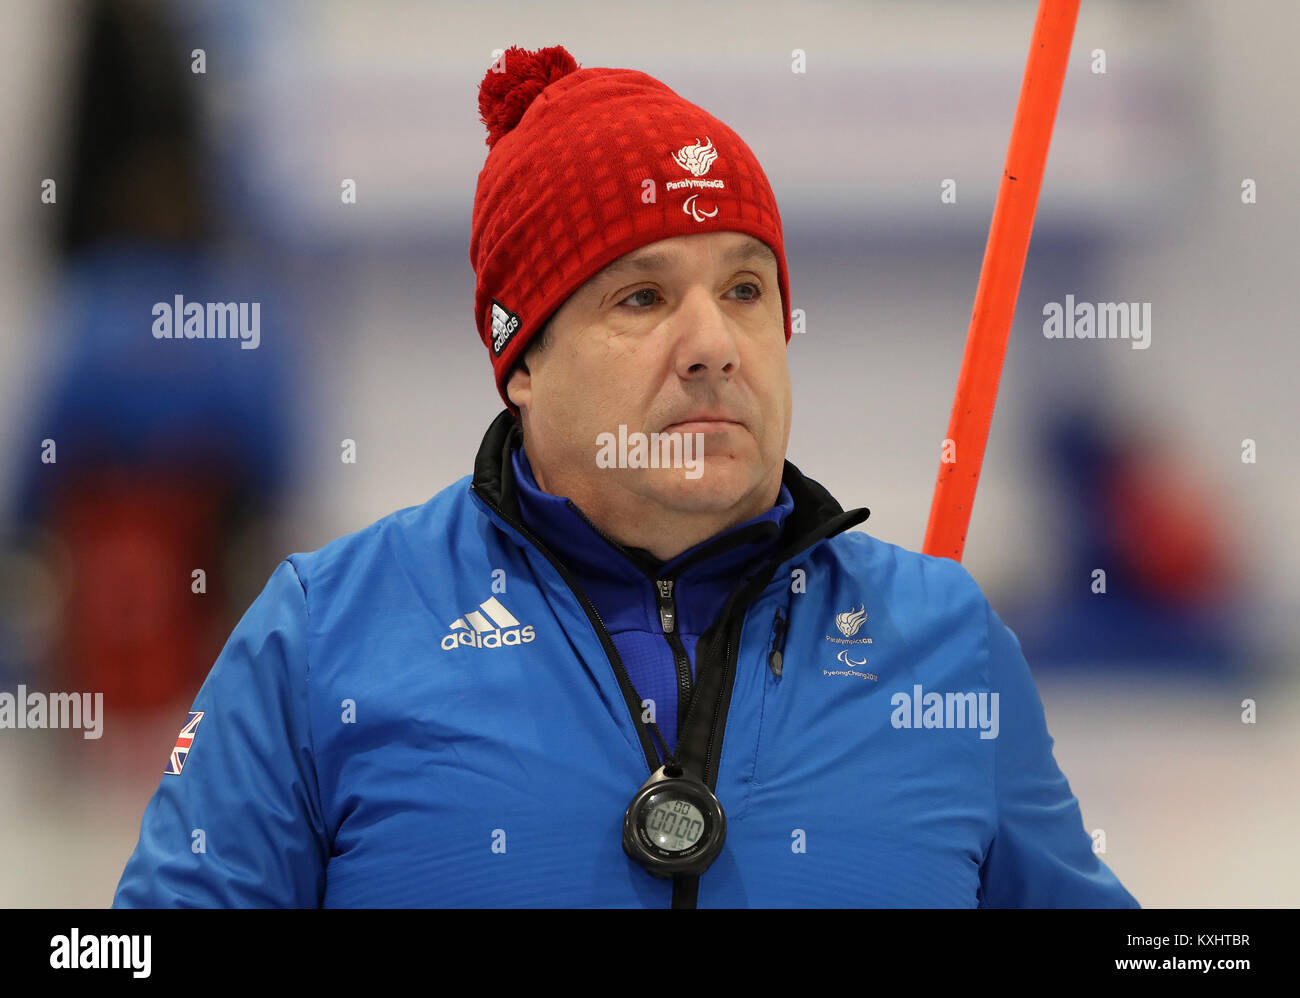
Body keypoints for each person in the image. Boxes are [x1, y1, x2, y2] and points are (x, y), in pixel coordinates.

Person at [113, 44, 1139, 908]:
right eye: (641, 297)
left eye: (745, 287)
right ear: (520, 360)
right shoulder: (327, 635)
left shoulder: (941, 637)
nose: (713, 345)